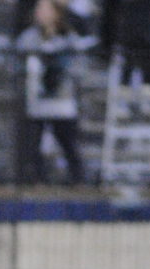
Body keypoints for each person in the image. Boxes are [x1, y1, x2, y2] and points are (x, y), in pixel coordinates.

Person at [15, 0, 89, 182]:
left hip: (62, 101)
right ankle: (36, 179)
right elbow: (18, 64)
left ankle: (77, 179)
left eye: (45, 9)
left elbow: (79, 66)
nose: (40, 13)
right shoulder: (29, 37)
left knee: (67, 141)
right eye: (38, 9)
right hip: (37, 101)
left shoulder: (68, 38)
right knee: (32, 144)